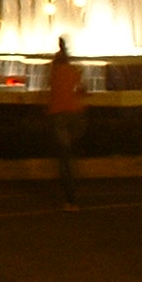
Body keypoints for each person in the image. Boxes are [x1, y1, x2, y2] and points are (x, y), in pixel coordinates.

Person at [47, 37, 86, 210]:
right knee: (70, 155)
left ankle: (70, 199)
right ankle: (73, 198)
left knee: (64, 158)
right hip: (75, 114)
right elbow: (82, 90)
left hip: (58, 115)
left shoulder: (53, 73)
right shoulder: (74, 71)